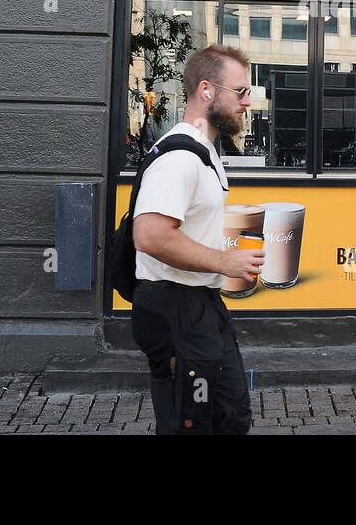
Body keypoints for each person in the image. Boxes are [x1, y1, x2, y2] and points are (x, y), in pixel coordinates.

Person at [129, 45, 263, 435]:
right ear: (206, 90)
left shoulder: (203, 151)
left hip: (200, 303)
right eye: (240, 92)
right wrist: (224, 262)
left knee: (229, 415)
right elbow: (150, 235)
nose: (247, 102)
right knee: (190, 422)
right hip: (174, 306)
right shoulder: (180, 157)